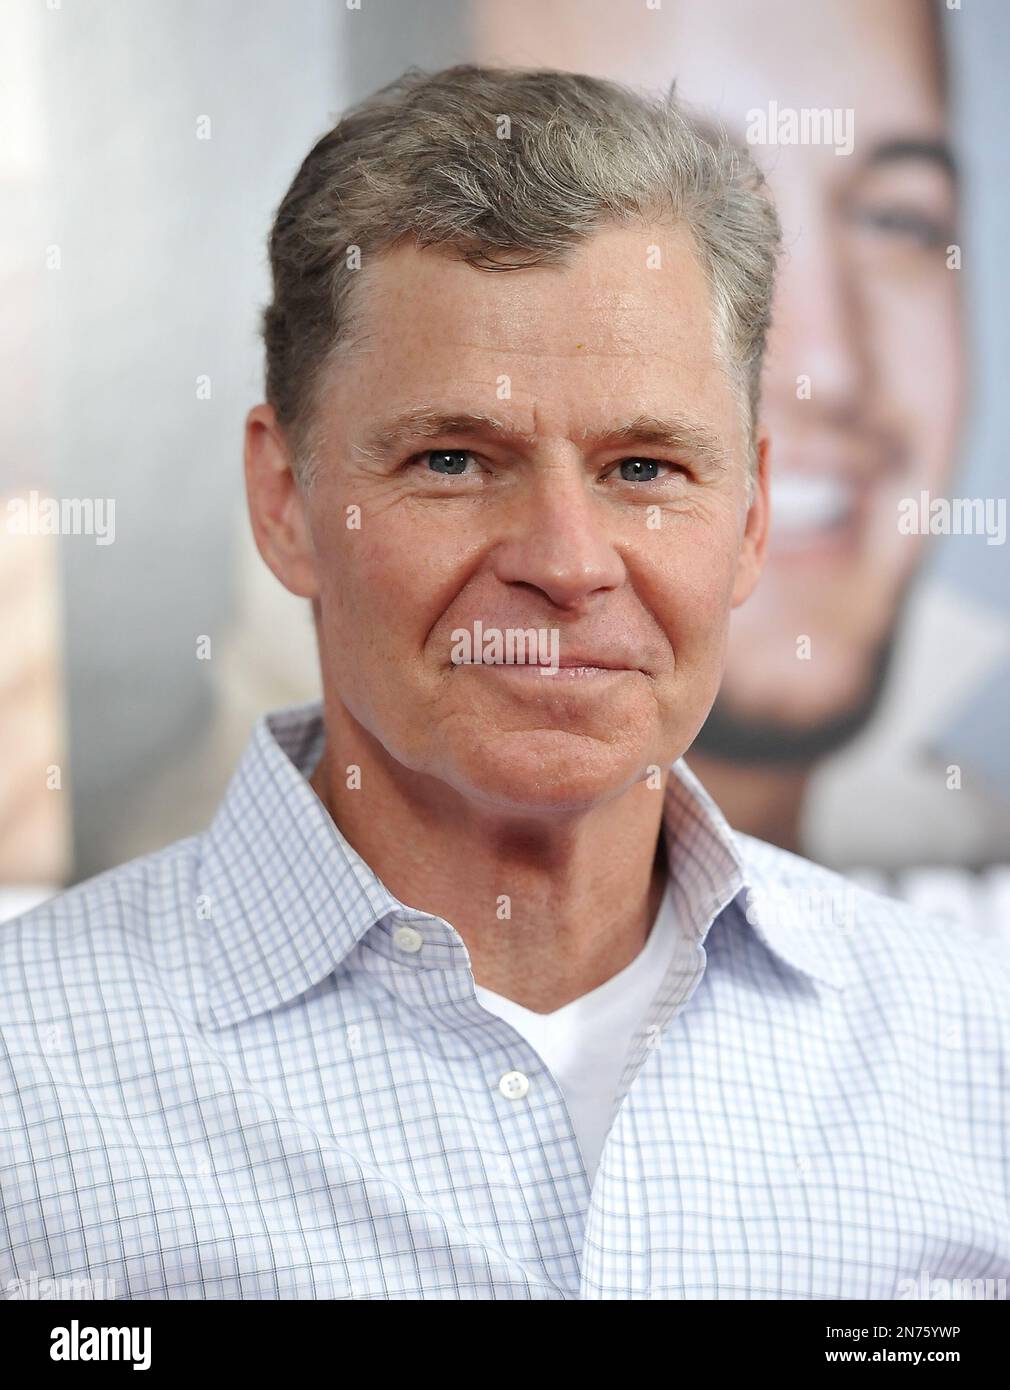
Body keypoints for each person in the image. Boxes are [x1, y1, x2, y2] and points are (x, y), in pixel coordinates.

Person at [2, 65, 1007, 1301]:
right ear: (285, 500)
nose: (566, 565)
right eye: (452, 459)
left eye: (643, 467)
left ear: (746, 515)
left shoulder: (973, 1053)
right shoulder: (24, 1072)